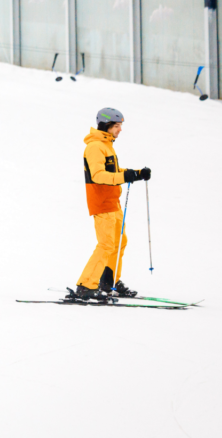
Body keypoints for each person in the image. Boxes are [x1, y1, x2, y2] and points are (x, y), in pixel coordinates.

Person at [73, 108, 152, 301]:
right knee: (106, 244)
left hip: (113, 202)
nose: (120, 130)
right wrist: (124, 177)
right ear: (107, 126)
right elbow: (98, 175)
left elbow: (113, 172)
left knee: (119, 243)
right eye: (117, 126)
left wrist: (136, 173)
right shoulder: (94, 147)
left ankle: (109, 282)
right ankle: (85, 285)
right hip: (102, 202)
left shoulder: (107, 146)